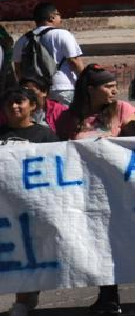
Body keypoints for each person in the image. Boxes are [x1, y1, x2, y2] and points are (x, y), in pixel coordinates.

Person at [56, 65, 135, 314]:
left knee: (116, 241)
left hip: (117, 188)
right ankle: (108, 294)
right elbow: (59, 153)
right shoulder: (68, 119)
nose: (114, 90)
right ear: (90, 90)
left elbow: (134, 146)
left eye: (115, 85)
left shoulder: (124, 110)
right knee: (96, 242)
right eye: (108, 86)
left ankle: (113, 294)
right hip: (84, 189)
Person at [0, 86, 59, 315]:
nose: (14, 106)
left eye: (19, 101)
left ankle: (23, 300)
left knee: (25, 252)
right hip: (4, 207)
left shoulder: (45, 136)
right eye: (9, 103)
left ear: (32, 105)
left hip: (33, 207)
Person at [12, 2, 85, 104]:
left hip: (35, 91)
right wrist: (86, 80)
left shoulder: (22, 40)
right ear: (51, 17)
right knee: (66, 118)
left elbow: (18, 70)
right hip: (62, 87)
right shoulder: (62, 34)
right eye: (58, 14)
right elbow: (74, 61)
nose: (61, 18)